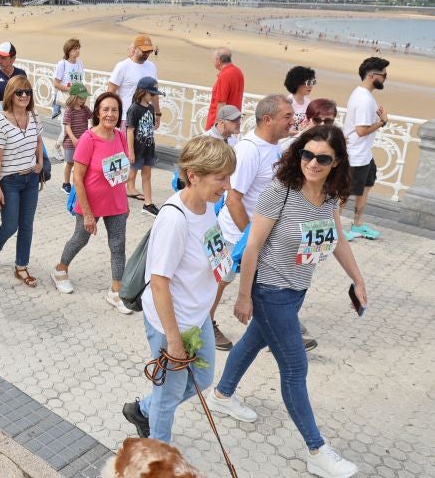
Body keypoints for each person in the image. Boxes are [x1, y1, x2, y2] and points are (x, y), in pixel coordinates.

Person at [209, 125, 367, 478]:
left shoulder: (329, 196)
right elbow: (252, 246)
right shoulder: (279, 192)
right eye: (306, 154)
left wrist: (357, 279)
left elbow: (338, 240)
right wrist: (244, 296)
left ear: (336, 161)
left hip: (297, 289)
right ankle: (317, 450)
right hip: (269, 291)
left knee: (252, 344)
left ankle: (221, 395)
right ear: (298, 154)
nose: (312, 162)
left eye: (322, 158)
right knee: (295, 369)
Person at [121, 136, 236, 444]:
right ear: (194, 175)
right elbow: (159, 282)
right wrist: (173, 340)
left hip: (196, 317)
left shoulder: (207, 207)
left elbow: (213, 251)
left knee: (202, 377)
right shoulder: (174, 219)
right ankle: (158, 455)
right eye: (220, 178)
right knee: (169, 394)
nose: (226, 185)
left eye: (228, 177)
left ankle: (144, 409)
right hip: (170, 323)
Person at [211, 95, 294, 350]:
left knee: (265, 283)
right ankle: (204, 323)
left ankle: (281, 330)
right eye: (287, 117)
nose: (293, 121)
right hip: (234, 234)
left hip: (256, 234)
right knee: (219, 281)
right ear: (267, 120)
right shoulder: (250, 150)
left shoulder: (275, 146)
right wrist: (251, 237)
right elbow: (233, 198)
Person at [50, 92, 130, 305]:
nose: (110, 114)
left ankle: (116, 291)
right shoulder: (88, 138)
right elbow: (78, 178)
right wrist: (87, 213)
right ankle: (60, 270)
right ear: (97, 112)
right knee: (80, 239)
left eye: (114, 110)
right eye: (105, 109)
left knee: (118, 245)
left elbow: (121, 174)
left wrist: (126, 203)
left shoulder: (121, 137)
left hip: (116, 203)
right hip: (90, 202)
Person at [0, 75, 44, 287]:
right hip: (9, 181)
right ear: (11, 94)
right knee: (10, 225)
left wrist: (40, 162)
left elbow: (38, 139)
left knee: (26, 225)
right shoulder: (0, 121)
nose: (25, 96)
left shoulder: (34, 116)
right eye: (20, 92)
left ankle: (21, 267)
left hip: (31, 179)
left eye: (28, 92)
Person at [342, 57, 389, 242]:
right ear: (372, 75)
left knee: (366, 187)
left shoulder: (364, 95)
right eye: (384, 75)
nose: (385, 78)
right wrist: (382, 122)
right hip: (355, 155)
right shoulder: (364, 99)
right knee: (344, 194)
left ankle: (358, 225)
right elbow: (361, 131)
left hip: (365, 155)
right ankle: (334, 228)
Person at [108, 34, 159, 199]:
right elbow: (111, 92)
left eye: (149, 51)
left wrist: (157, 113)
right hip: (124, 116)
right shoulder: (122, 66)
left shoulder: (151, 67)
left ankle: (129, 186)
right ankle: (114, 186)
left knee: (137, 151)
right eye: (143, 51)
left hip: (145, 117)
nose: (146, 54)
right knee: (121, 152)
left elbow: (154, 92)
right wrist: (110, 114)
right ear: (135, 48)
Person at [126, 76, 164, 216]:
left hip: (148, 149)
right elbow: (130, 130)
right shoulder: (134, 109)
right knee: (129, 176)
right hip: (137, 149)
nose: (153, 97)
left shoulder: (151, 107)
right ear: (142, 92)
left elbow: (151, 127)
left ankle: (148, 204)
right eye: (152, 94)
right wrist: (131, 151)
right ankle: (112, 194)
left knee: (147, 176)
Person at [0, 42, 27, 133]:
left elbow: (27, 99)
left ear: (13, 59)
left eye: (3, 58)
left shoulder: (21, 74)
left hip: (17, 124)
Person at [60, 82, 91, 193]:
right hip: (70, 142)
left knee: (81, 163)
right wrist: (74, 139)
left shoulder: (85, 109)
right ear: (74, 97)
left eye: (84, 98)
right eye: (81, 98)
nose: (83, 100)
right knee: (70, 163)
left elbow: (93, 116)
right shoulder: (69, 111)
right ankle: (66, 183)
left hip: (82, 142)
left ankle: (78, 183)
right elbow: (67, 127)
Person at [204, 48, 245, 129]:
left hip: (223, 123)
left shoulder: (225, 75)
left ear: (219, 60)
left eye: (213, 59)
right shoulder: (237, 71)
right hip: (233, 119)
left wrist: (216, 125)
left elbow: (221, 102)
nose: (213, 62)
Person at [53, 38, 84, 116]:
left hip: (78, 100)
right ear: (68, 51)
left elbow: (80, 81)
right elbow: (56, 84)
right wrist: (70, 90)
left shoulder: (80, 63)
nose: (78, 51)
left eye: (78, 48)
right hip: (66, 100)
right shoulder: (62, 64)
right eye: (75, 49)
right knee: (66, 125)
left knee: (76, 125)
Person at [285, 66, 316, 133]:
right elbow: (281, 129)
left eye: (313, 82)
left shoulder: (308, 102)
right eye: (308, 83)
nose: (311, 86)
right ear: (297, 83)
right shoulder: (287, 103)